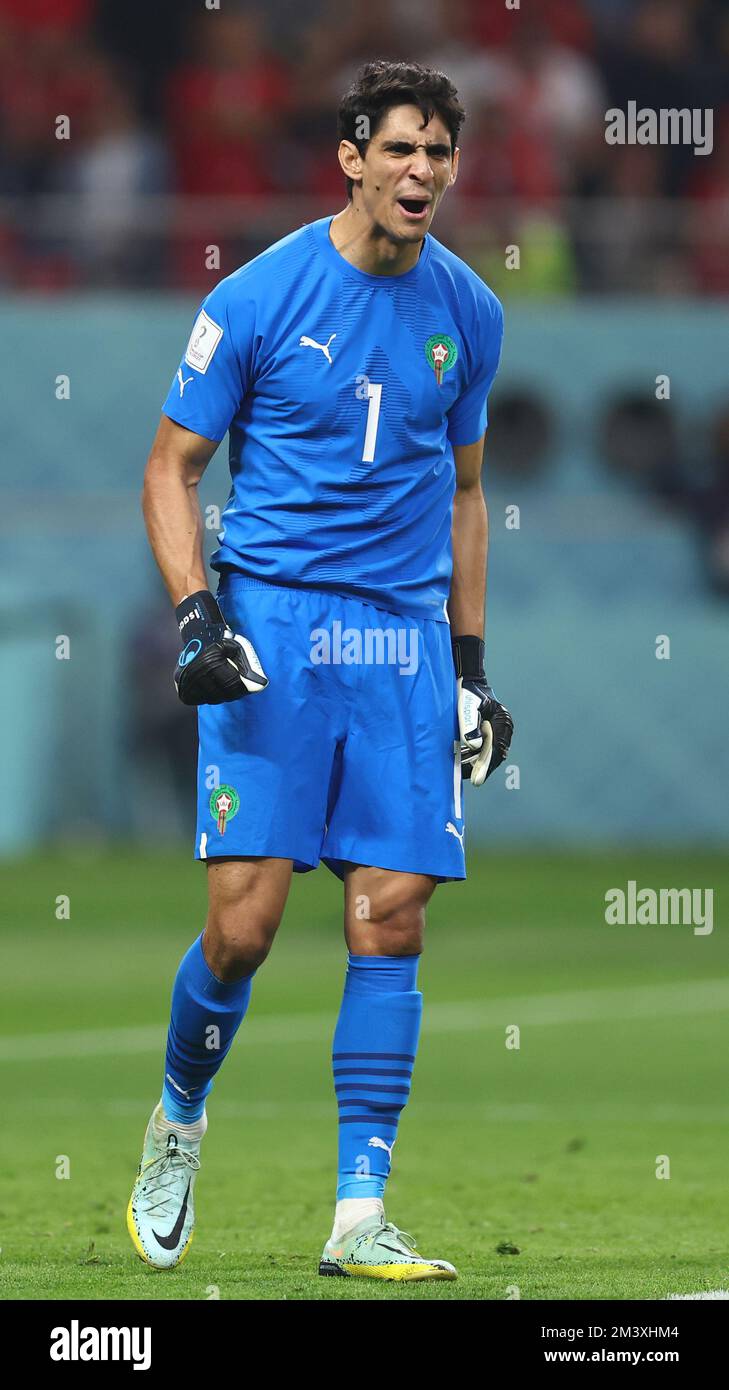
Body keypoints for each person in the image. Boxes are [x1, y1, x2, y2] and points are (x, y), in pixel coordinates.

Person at [129, 59, 513, 1283]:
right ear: (351, 157)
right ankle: (180, 1120)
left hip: (399, 642)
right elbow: (170, 468)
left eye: (441, 154)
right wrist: (198, 617)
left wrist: (470, 672)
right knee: (243, 929)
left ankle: (359, 1214)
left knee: (390, 913)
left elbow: (465, 496)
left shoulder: (470, 311)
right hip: (276, 630)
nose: (423, 173)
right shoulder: (256, 296)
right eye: (402, 150)